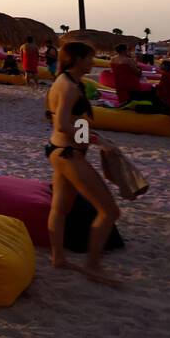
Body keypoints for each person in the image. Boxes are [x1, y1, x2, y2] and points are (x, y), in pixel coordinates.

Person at [44, 41, 122, 284]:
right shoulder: (67, 86)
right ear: (77, 59)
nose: (93, 61)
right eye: (90, 57)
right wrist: (97, 140)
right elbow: (62, 125)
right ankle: (94, 265)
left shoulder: (68, 81)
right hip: (68, 154)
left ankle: (58, 258)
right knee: (109, 210)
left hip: (60, 151)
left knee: (60, 208)